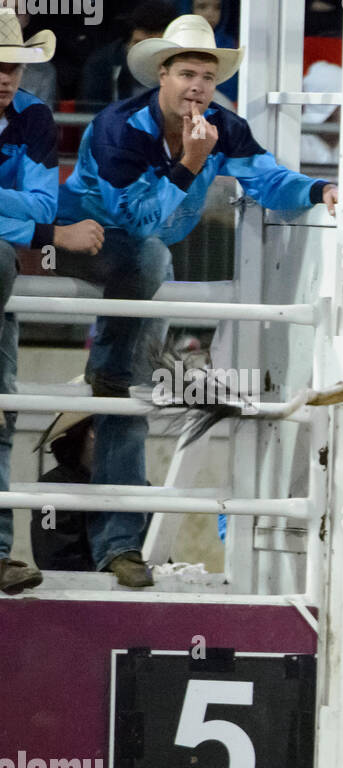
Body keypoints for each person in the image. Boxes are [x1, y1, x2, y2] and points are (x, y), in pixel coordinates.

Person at [55, 14, 339, 588]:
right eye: (187, 73)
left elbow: (266, 177)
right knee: (149, 275)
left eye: (207, 77)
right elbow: (140, 220)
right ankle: (117, 537)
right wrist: (188, 163)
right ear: (162, 74)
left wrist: (318, 188)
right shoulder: (119, 128)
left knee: (128, 377)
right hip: (83, 242)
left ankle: (118, 544)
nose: (197, 88)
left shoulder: (219, 127)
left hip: (141, 260)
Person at [0, 12, 103, 595]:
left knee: (2, 406)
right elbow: (39, 218)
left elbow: (41, 206)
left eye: (12, 66)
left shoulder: (33, 118)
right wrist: (40, 232)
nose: (5, 77)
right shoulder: (32, 123)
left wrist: (31, 228)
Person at [30, 415, 96, 573]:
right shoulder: (52, 485)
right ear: (91, 433)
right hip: (74, 584)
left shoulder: (138, 485)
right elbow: (49, 552)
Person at [81, 1, 176, 107]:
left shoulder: (185, 68)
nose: (145, 53)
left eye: (153, 47)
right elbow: (93, 115)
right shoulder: (102, 65)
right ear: (128, 42)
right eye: (138, 44)